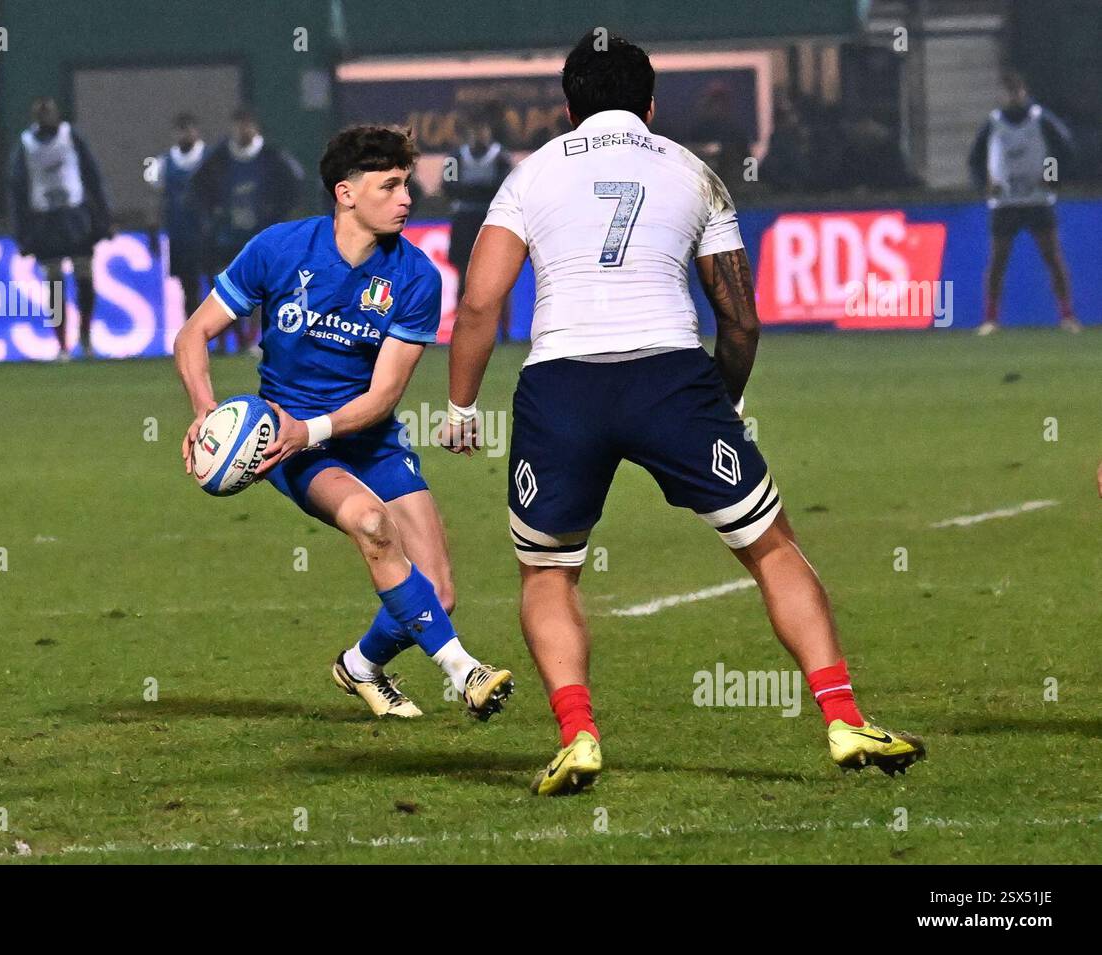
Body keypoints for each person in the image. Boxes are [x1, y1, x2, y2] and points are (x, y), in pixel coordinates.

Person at [442, 31, 925, 795]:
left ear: (567, 109)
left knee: (547, 570)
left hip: (562, 383)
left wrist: (460, 405)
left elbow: (478, 301)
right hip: (671, 376)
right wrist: (721, 402)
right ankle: (842, 716)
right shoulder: (692, 171)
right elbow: (739, 319)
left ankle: (579, 735)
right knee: (771, 546)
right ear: (652, 104)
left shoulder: (528, 177)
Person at [174, 125, 513, 721]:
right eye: (391, 185)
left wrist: (316, 429)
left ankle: (359, 666)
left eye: (407, 184)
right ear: (346, 193)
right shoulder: (279, 249)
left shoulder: (415, 277)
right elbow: (193, 333)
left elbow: (384, 396)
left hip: (369, 438)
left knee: (440, 593)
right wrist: (206, 409)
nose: (407, 197)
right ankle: (465, 672)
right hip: (288, 444)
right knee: (371, 522)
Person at [968, 71, 1081, 335]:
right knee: (998, 261)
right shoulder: (994, 123)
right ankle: (991, 319)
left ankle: (1067, 315)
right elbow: (975, 159)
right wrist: (985, 184)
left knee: (1052, 257)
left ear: (1023, 92)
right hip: (1005, 201)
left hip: (1036, 199)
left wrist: (1051, 177)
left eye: (1016, 91)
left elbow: (1063, 150)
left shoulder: (1040, 119)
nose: (1012, 97)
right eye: (1007, 92)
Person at [7, 97, 115, 360]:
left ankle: (86, 338)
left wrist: (103, 217)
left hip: (74, 216)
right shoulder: (26, 145)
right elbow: (17, 188)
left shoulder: (71, 137)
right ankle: (62, 345)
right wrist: (21, 232)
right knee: (54, 285)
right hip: (45, 220)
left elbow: (92, 176)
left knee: (84, 279)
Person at [190, 108, 304, 355]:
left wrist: (277, 216)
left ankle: (253, 338)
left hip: (261, 235)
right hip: (226, 235)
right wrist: (212, 214)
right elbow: (198, 187)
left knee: (261, 288)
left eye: (247, 125)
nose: (242, 130)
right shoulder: (218, 158)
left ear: (256, 128)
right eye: (238, 125)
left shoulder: (273, 158)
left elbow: (294, 187)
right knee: (226, 287)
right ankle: (232, 338)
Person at [444, 105, 514, 332]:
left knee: (499, 276)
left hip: (490, 219)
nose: (478, 134)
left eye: (482, 129)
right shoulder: (454, 158)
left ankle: (504, 331)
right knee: (463, 273)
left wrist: (471, 190)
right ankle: (460, 326)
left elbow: (505, 186)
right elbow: (448, 186)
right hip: (464, 220)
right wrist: (482, 190)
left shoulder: (501, 157)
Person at [150, 113, 208, 319]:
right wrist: (153, 231)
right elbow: (157, 199)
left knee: (217, 283)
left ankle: (228, 338)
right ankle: (193, 334)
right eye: (180, 129)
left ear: (196, 131)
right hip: (179, 233)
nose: (184, 134)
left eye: (188, 128)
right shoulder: (163, 162)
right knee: (188, 287)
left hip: (207, 233)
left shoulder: (210, 158)